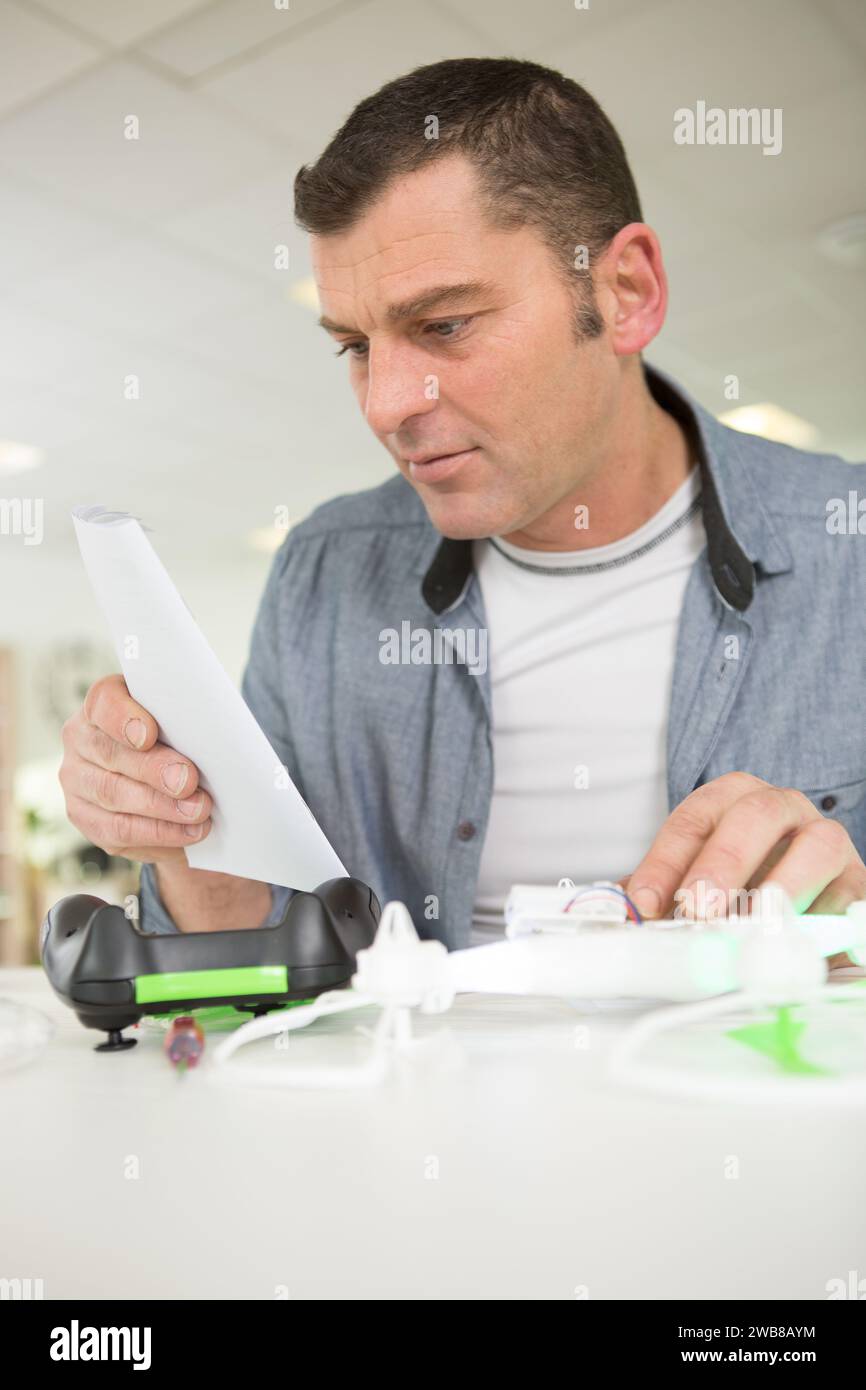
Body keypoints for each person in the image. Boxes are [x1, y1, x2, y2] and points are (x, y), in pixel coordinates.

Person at [59, 59, 866, 959]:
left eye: (444, 326)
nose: (385, 404)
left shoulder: (849, 551)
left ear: (625, 292)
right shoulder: (322, 575)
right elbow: (251, 963)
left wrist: (851, 936)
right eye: (357, 346)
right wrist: (182, 834)